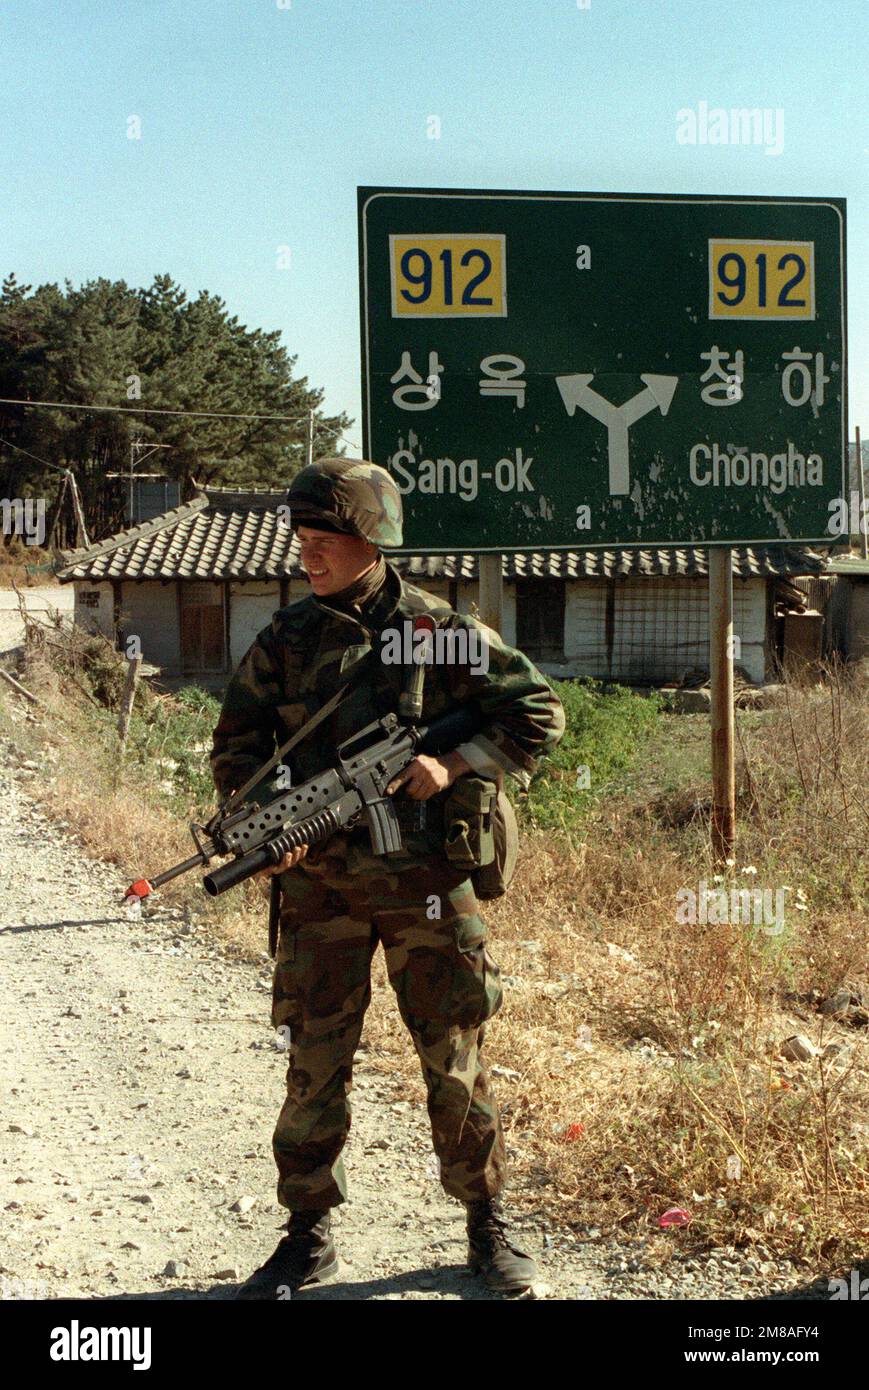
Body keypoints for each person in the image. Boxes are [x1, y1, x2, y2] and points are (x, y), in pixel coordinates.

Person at [209, 457, 565, 1299]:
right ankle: (307, 1234)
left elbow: (538, 714)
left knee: (452, 1058)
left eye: (325, 538)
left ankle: (487, 1224)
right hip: (319, 893)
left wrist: (450, 764)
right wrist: (272, 821)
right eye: (301, 537)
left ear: (370, 540)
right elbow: (236, 748)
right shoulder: (284, 640)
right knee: (314, 1061)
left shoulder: (438, 630)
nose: (309, 553)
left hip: (429, 888)